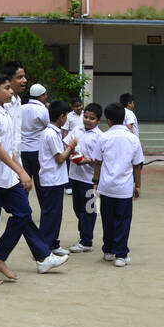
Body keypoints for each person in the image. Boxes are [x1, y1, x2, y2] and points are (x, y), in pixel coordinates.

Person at [0, 73, 69, 283]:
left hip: (7, 178)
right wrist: (20, 171)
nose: (11, 91)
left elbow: (9, 150)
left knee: (23, 213)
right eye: (7, 88)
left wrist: (21, 172)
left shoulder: (6, 113)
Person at [89, 102, 142, 267]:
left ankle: (108, 250)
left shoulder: (103, 137)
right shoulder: (133, 139)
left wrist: (95, 182)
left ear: (109, 120)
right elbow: (137, 165)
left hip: (106, 186)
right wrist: (138, 185)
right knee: (123, 220)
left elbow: (97, 162)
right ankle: (121, 253)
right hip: (124, 188)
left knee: (107, 218)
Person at [37, 100, 77, 256]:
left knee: (55, 213)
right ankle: (46, 246)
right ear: (62, 116)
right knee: (50, 214)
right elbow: (60, 158)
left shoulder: (52, 132)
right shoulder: (51, 134)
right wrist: (71, 146)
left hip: (55, 179)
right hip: (51, 179)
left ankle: (53, 243)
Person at [67, 102, 101, 252]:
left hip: (90, 179)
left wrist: (88, 161)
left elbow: (101, 160)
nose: (87, 120)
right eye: (85, 117)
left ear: (98, 121)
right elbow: (66, 144)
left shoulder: (100, 136)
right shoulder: (77, 129)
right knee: (77, 208)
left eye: (91, 118)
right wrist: (71, 152)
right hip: (75, 176)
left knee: (90, 209)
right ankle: (84, 236)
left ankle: (86, 241)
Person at [18, 83, 50, 195]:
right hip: (37, 149)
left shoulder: (21, 108)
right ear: (41, 96)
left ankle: (22, 211)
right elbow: (48, 126)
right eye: (45, 95)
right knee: (40, 182)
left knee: (24, 181)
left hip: (22, 149)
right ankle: (44, 209)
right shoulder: (42, 110)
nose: (46, 97)